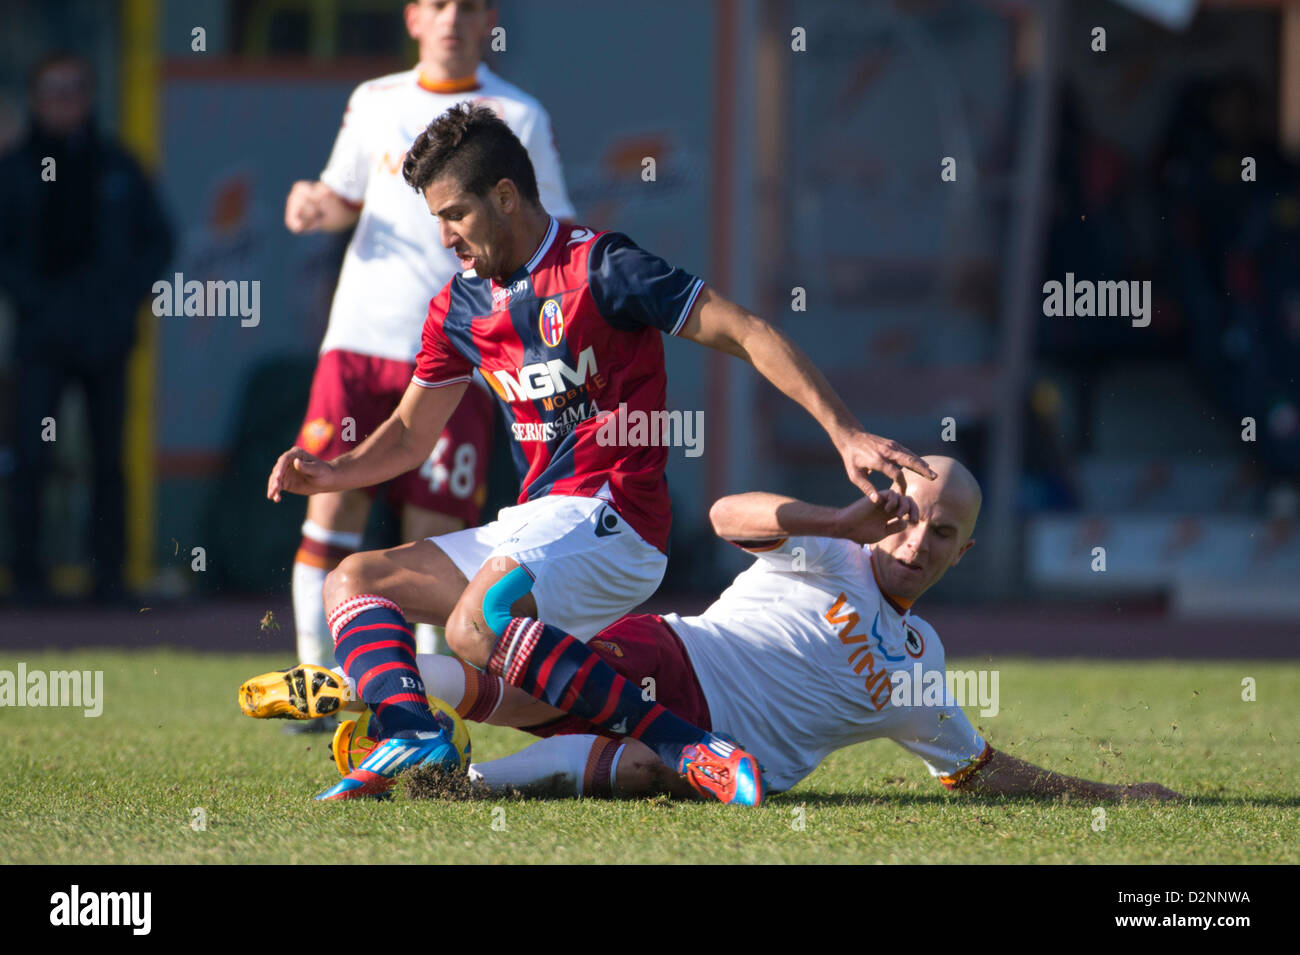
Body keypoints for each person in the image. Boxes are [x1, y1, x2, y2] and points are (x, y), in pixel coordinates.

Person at [260, 103, 936, 806]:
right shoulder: (458, 308)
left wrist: (845, 431)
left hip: (619, 523)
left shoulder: (603, 267)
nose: (444, 237)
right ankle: (414, 730)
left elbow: (746, 331)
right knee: (353, 580)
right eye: (436, 218)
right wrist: (335, 471)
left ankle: (685, 745)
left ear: (505, 196)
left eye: (455, 214)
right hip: (537, 522)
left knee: (473, 624)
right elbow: (408, 434)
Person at [248, 457, 1181, 803]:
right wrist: (835, 517)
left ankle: (445, 765)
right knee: (509, 657)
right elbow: (729, 514)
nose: (915, 540)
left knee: (640, 771)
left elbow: (977, 770)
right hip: (677, 658)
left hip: (726, 767)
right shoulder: (835, 550)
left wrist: (1114, 793)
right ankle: (391, 691)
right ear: (886, 505)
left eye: (942, 534)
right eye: (908, 515)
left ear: (963, 552)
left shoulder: (923, 666)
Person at [283, 0, 574, 677]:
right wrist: (312, 204)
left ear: (489, 19)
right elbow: (341, 197)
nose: (452, 20)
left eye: (468, 7)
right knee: (333, 498)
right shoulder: (374, 99)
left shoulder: (520, 115)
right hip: (361, 337)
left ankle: (427, 684)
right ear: (412, 18)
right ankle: (315, 674)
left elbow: (550, 223)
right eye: (437, 5)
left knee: (435, 525)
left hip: (459, 353)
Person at [0, 52, 173, 604]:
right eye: (52, 90)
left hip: (105, 339)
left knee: (107, 457)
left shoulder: (117, 164)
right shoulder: (14, 169)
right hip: (41, 339)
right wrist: (35, 302)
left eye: (74, 89)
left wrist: (120, 300)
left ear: (90, 97)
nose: (64, 101)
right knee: (32, 454)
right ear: (35, 99)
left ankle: (109, 577)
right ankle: (27, 577)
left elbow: (159, 239)